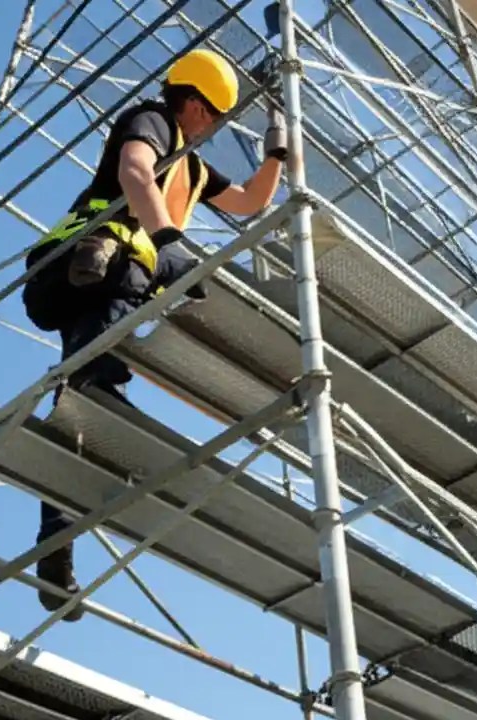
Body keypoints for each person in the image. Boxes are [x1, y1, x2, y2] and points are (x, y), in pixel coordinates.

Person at [19, 48, 288, 620]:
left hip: (117, 282)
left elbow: (250, 202)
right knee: (95, 390)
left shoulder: (190, 163)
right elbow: (135, 171)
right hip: (92, 271)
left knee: (87, 387)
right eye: (213, 115)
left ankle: (56, 535)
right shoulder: (153, 121)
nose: (215, 128)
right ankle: (60, 504)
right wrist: (168, 244)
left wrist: (278, 145)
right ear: (192, 103)